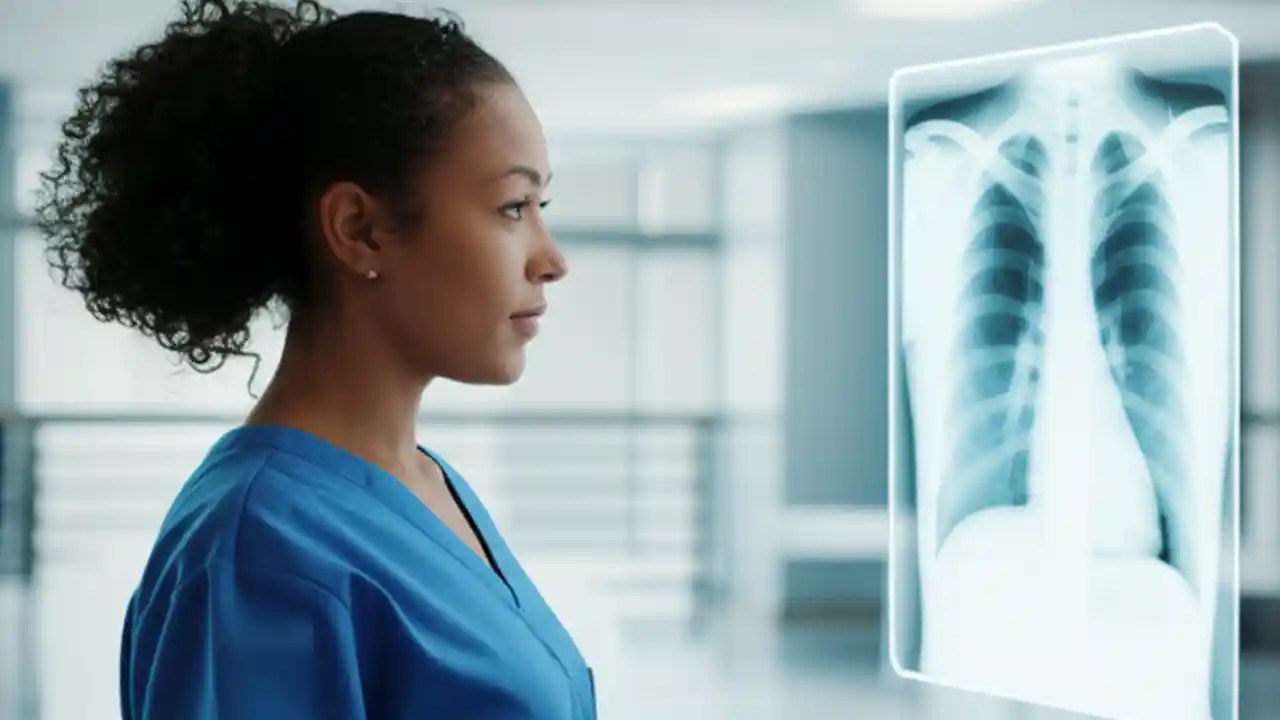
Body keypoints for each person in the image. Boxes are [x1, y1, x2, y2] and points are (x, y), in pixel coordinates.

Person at [33, 0, 592, 717]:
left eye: (541, 205)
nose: (551, 259)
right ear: (358, 229)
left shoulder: (427, 485)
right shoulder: (255, 554)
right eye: (513, 207)